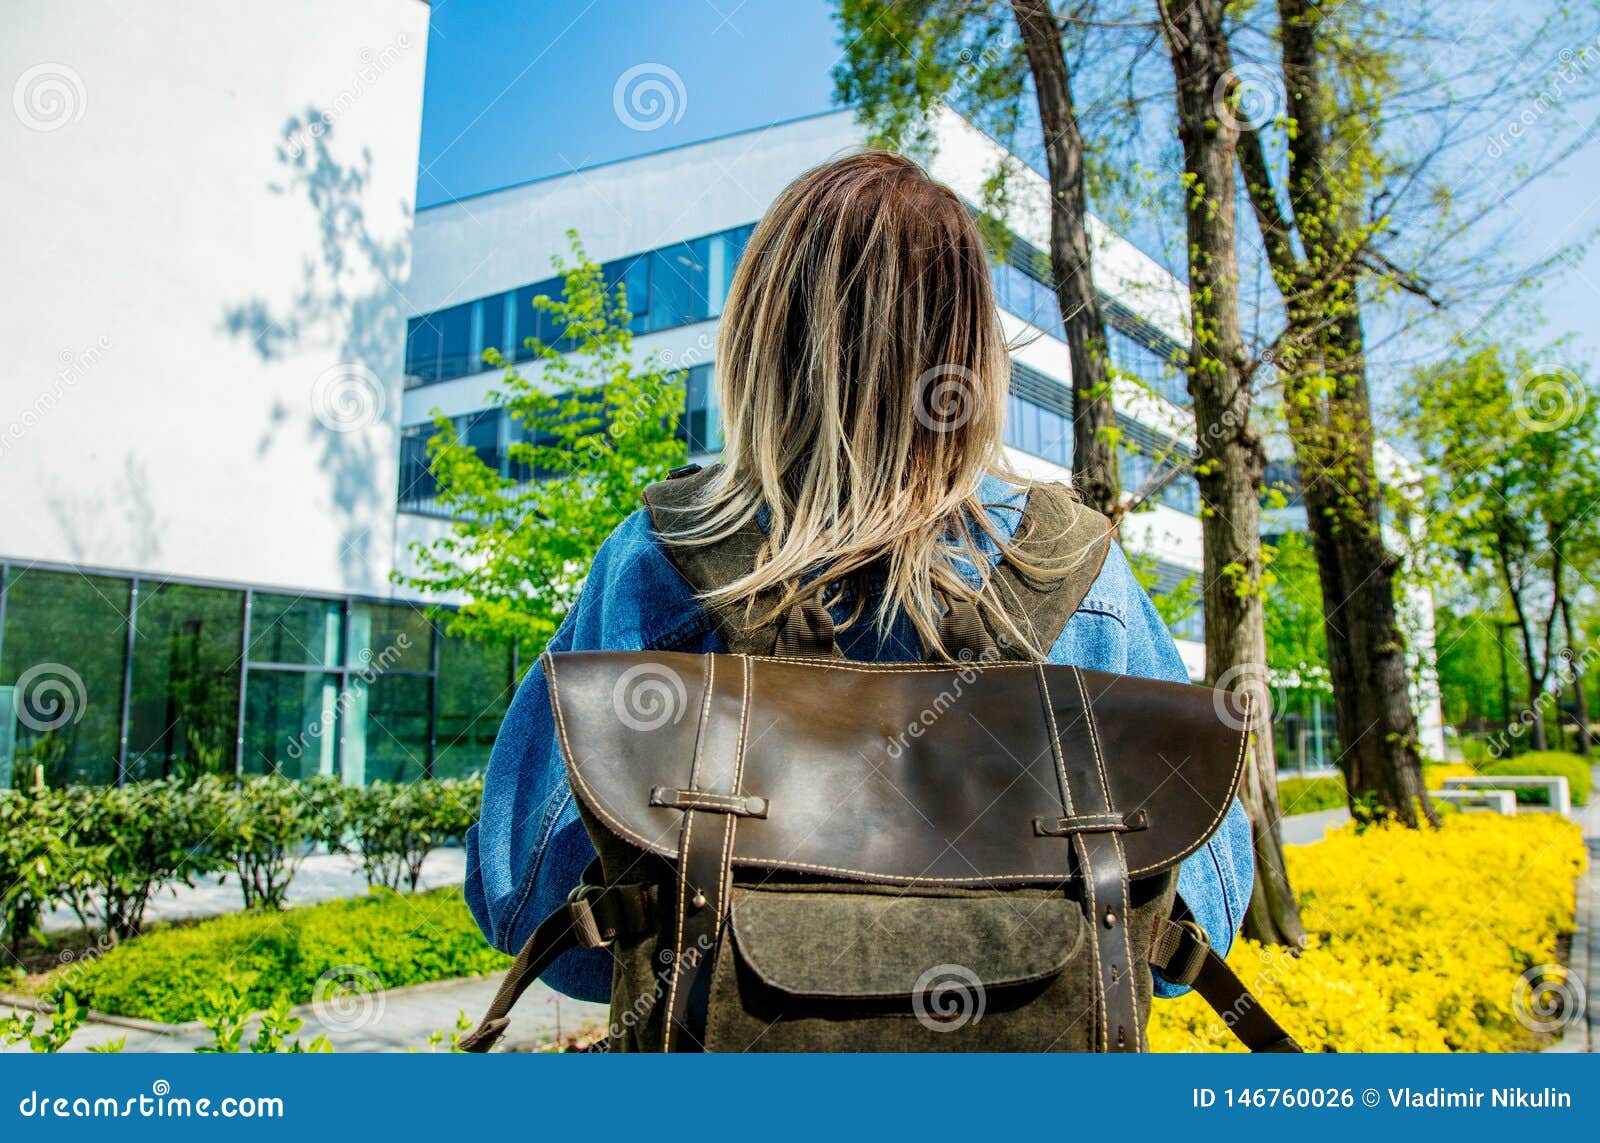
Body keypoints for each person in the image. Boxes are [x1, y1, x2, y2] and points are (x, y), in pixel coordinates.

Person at [464, 150, 1253, 1006]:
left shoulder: (659, 556)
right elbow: (1194, 923)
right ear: (973, 357)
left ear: (762, 338)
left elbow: (527, 903)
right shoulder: (1077, 567)